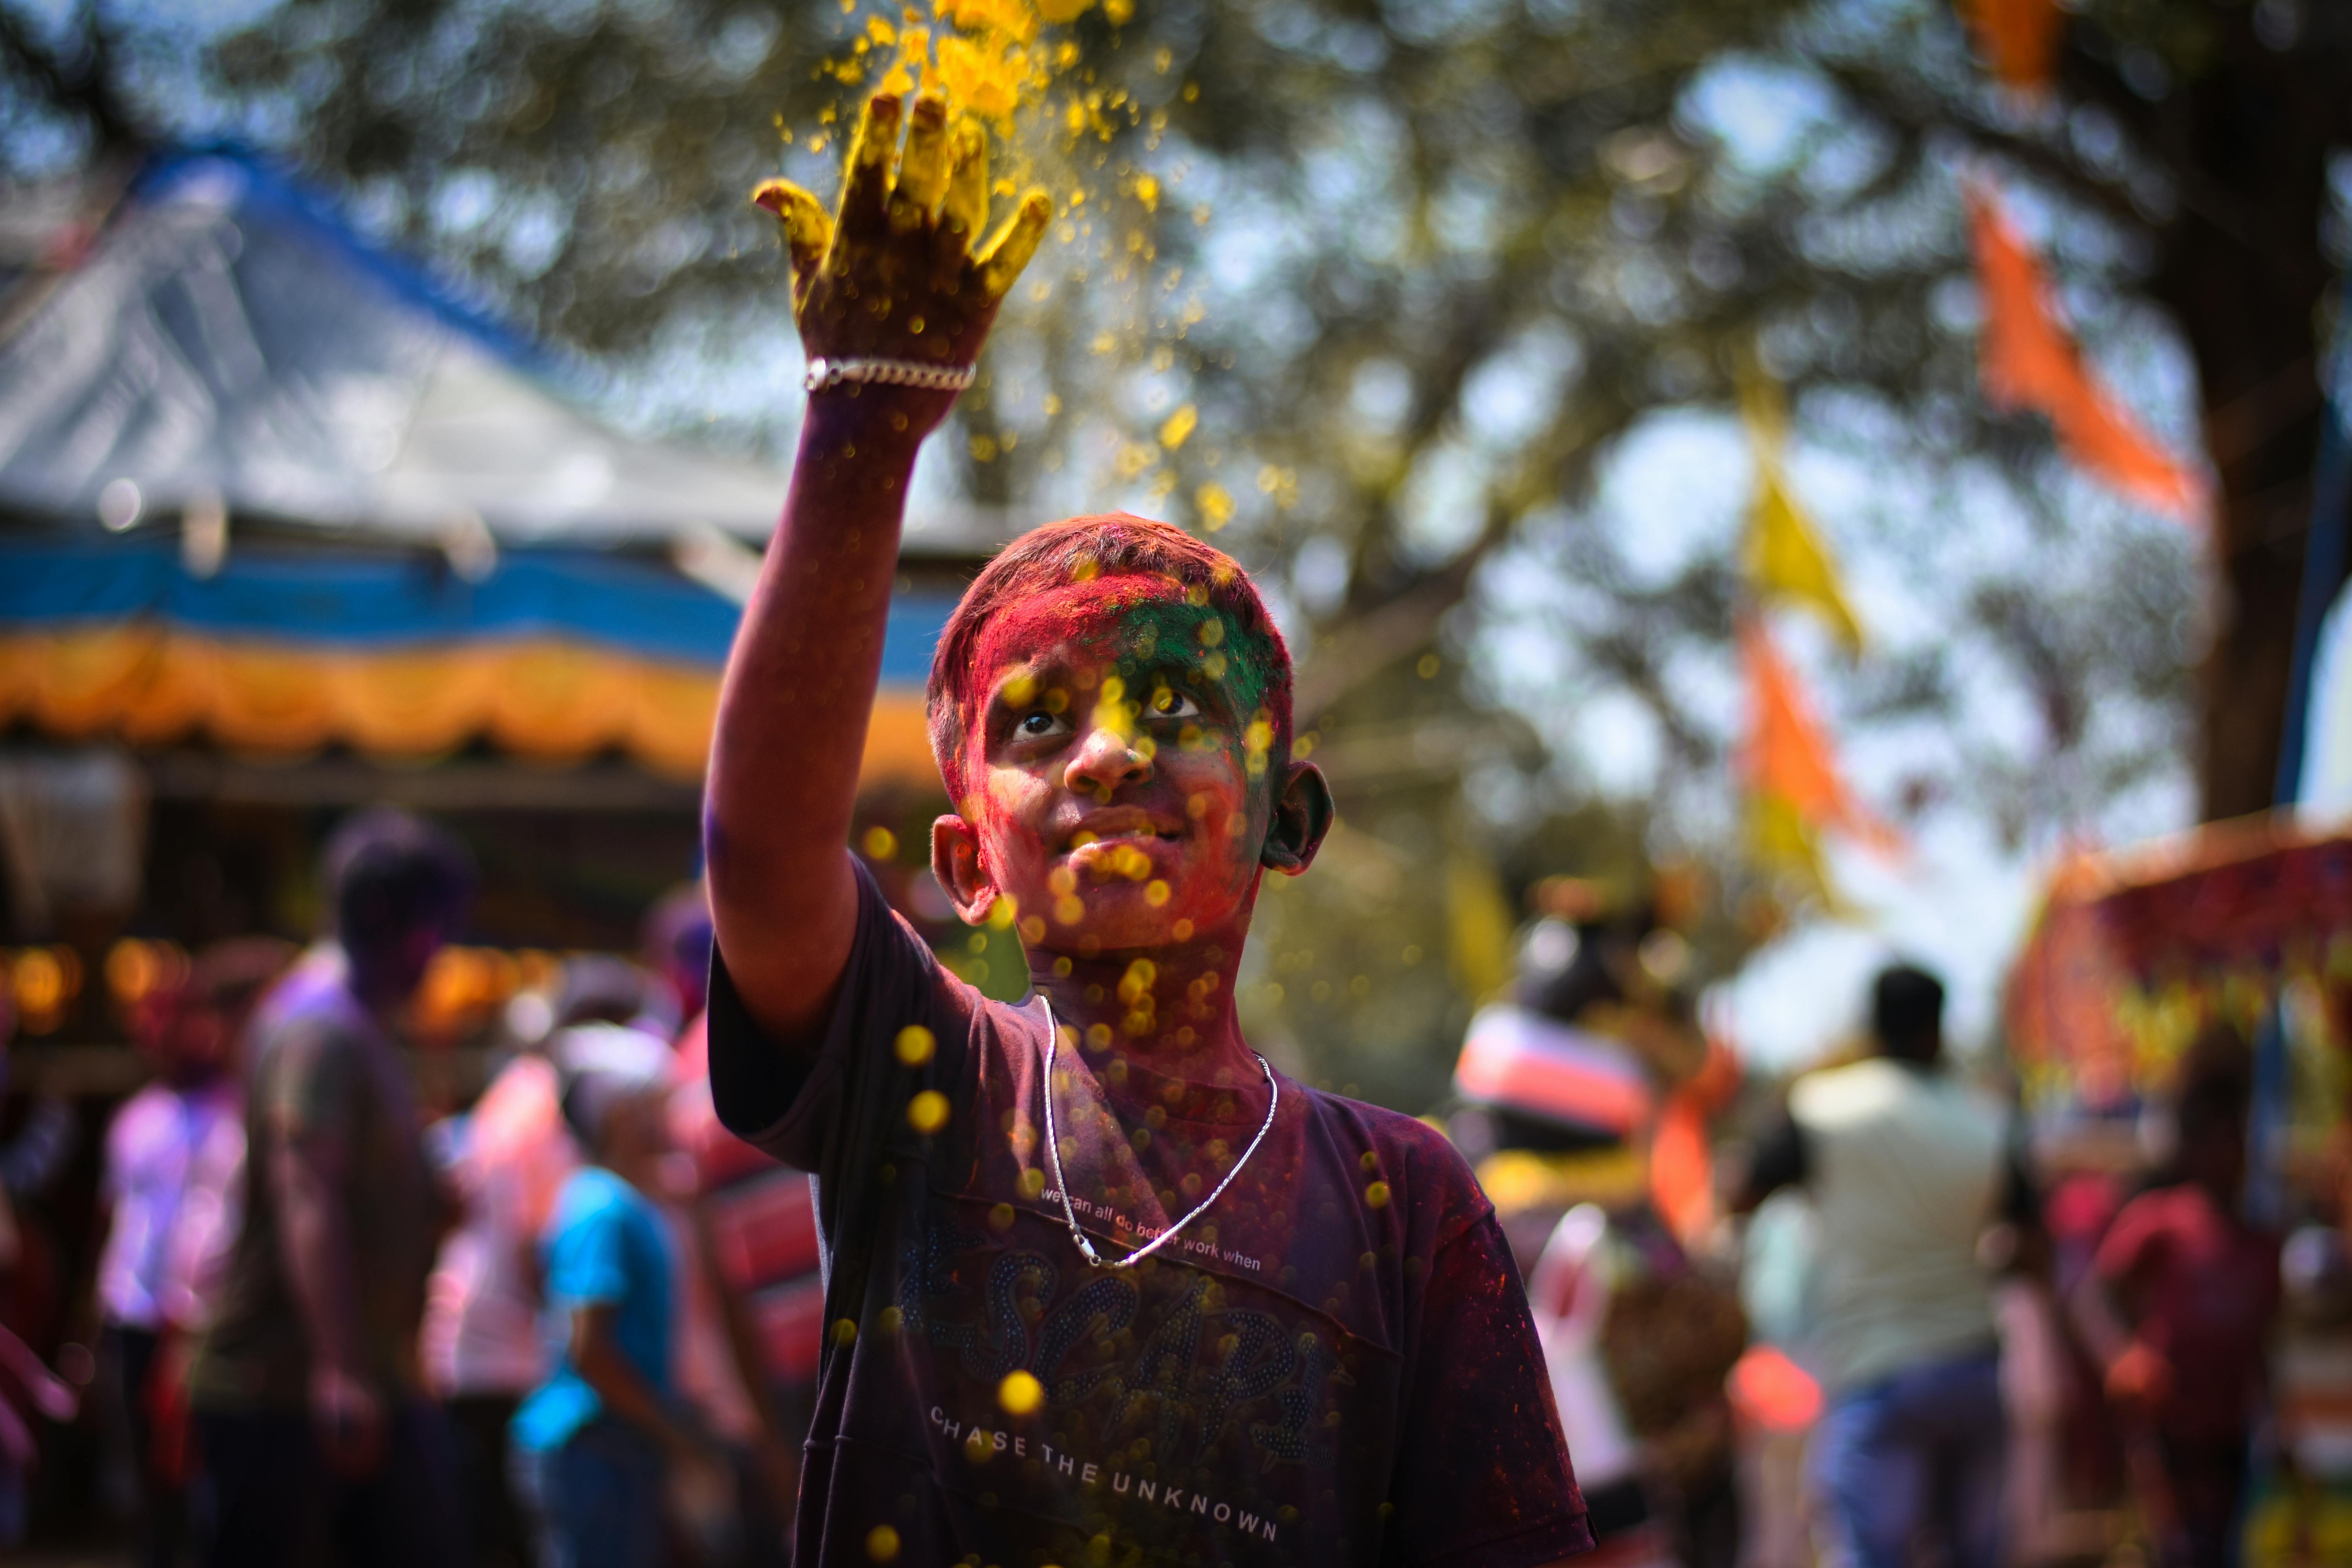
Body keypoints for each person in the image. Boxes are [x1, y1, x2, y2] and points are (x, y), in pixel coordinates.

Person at [701, 86, 1593, 1567]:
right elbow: (761, 857)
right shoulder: (920, 1086)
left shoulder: (1402, 1208)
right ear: (969, 861)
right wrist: (862, 423)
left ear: (1282, 821)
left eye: (1179, 708)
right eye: (1039, 724)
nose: (1113, 755)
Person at [189, 808, 472, 1566]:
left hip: (358, 1381)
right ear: (392, 922)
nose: (437, 955)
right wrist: (340, 1370)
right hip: (281, 1392)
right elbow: (305, 1190)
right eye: (435, 930)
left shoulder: (360, 1028)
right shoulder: (320, 1028)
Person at [1731, 964, 2033, 1568]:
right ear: (1938, 1029)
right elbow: (2034, 1251)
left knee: (1870, 1553)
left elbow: (1743, 1192)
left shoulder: (1825, 1110)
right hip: (1973, 1366)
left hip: (1878, 1372)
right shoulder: (1987, 1122)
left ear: (1872, 1026)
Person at [96, 938, 289, 1568]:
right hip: (134, 1314)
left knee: (210, 1492)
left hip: (206, 1326)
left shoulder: (237, 1114)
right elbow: (118, 1222)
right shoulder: (133, 1119)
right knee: (151, 1484)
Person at [511, 1023, 717, 1568]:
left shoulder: (618, 1201)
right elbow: (590, 1351)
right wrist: (672, 1430)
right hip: (592, 1447)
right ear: (620, 1116)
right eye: (653, 1107)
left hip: (614, 1445)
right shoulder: (601, 1209)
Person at [2071, 1026, 2277, 1568]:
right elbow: (2092, 1298)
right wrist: (2121, 1356)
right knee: (2181, 1549)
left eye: (2239, 1139)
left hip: (2231, 1431)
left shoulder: (2261, 1241)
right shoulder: (2160, 1222)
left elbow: (2263, 1344)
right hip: (2168, 1428)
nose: (2230, 1154)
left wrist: (2282, 1426)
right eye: (2218, 1139)